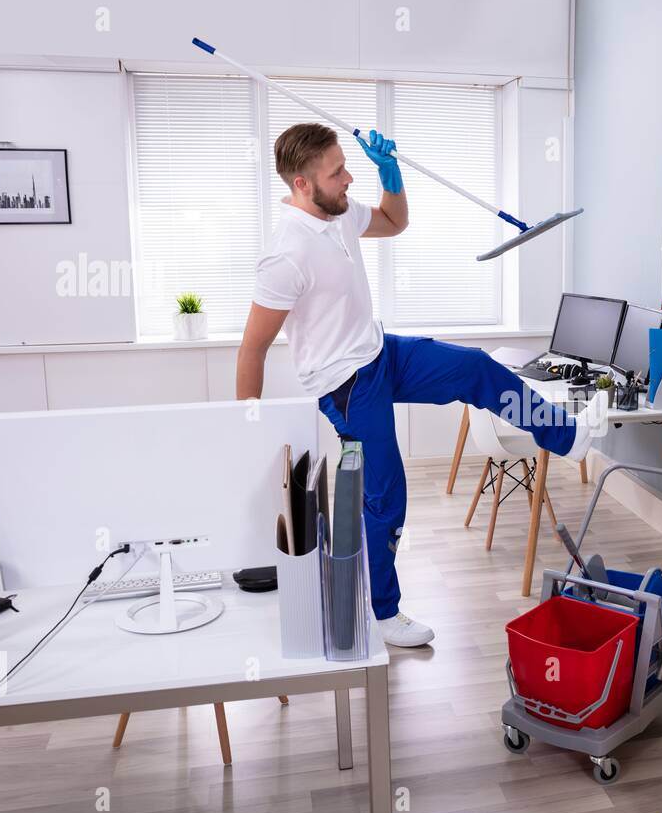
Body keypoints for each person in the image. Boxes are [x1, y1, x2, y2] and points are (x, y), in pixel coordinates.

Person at [237, 122, 607, 648]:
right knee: (386, 499)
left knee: (474, 368)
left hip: (380, 352)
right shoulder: (286, 255)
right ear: (302, 184)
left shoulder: (337, 214)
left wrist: (391, 174)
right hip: (345, 384)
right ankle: (382, 613)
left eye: (347, 166)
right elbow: (251, 349)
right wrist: (243, 429)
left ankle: (563, 434)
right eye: (337, 171)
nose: (348, 179)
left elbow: (393, 221)